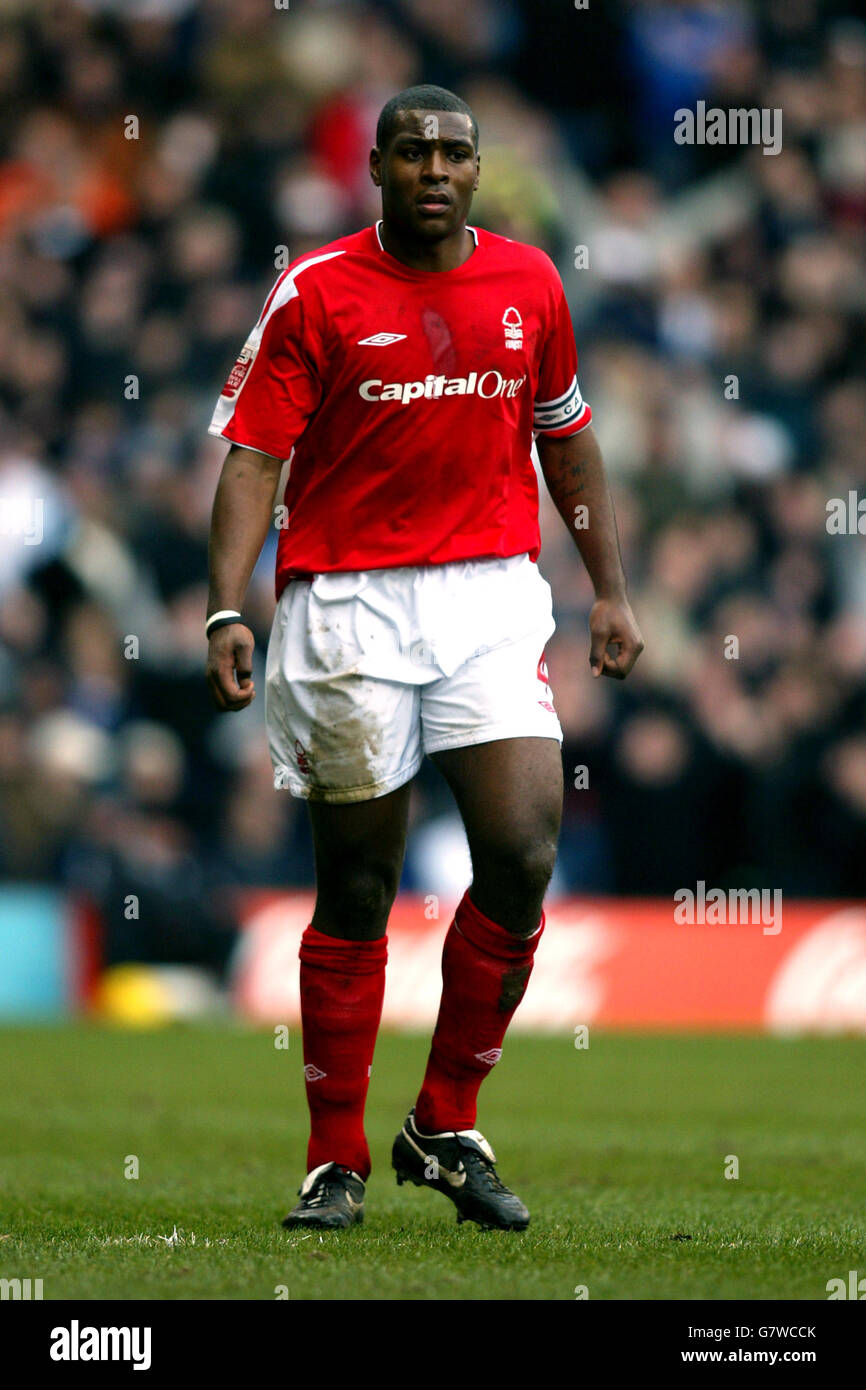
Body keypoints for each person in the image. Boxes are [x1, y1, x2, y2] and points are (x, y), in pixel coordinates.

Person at [205, 85, 643, 1231]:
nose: (435, 169)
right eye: (412, 152)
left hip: (491, 592)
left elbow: (567, 435)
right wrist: (223, 608)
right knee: (355, 883)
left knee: (519, 845)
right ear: (379, 168)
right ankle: (333, 1156)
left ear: (477, 168)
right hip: (344, 602)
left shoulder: (530, 282)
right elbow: (255, 459)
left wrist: (607, 589)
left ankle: (442, 1122)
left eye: (454, 152)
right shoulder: (316, 290)